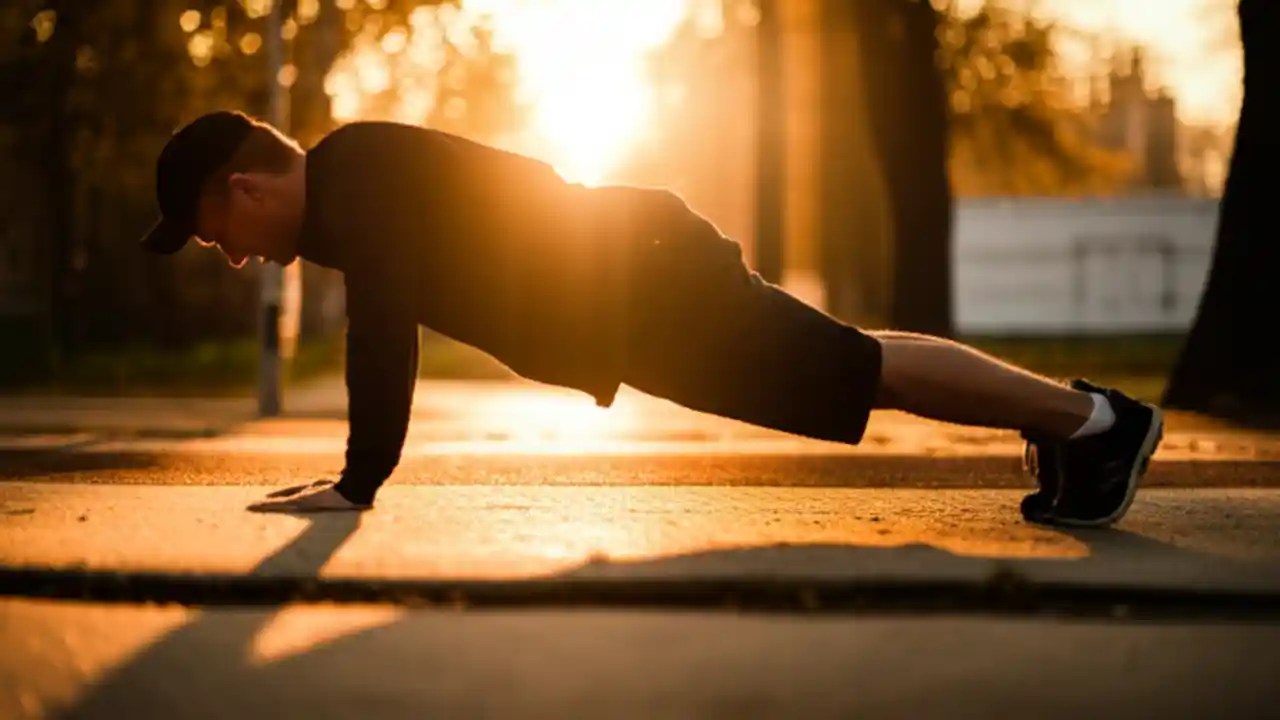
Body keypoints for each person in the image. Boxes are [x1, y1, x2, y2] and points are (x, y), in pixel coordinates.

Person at [141, 110, 1164, 527]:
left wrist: (358, 485)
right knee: (860, 368)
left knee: (859, 370)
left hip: (649, 281)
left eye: (216, 233)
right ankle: (1079, 426)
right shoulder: (354, 181)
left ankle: (1096, 425)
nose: (233, 256)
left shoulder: (355, 182)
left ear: (245, 186)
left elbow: (382, 331)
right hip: (641, 287)